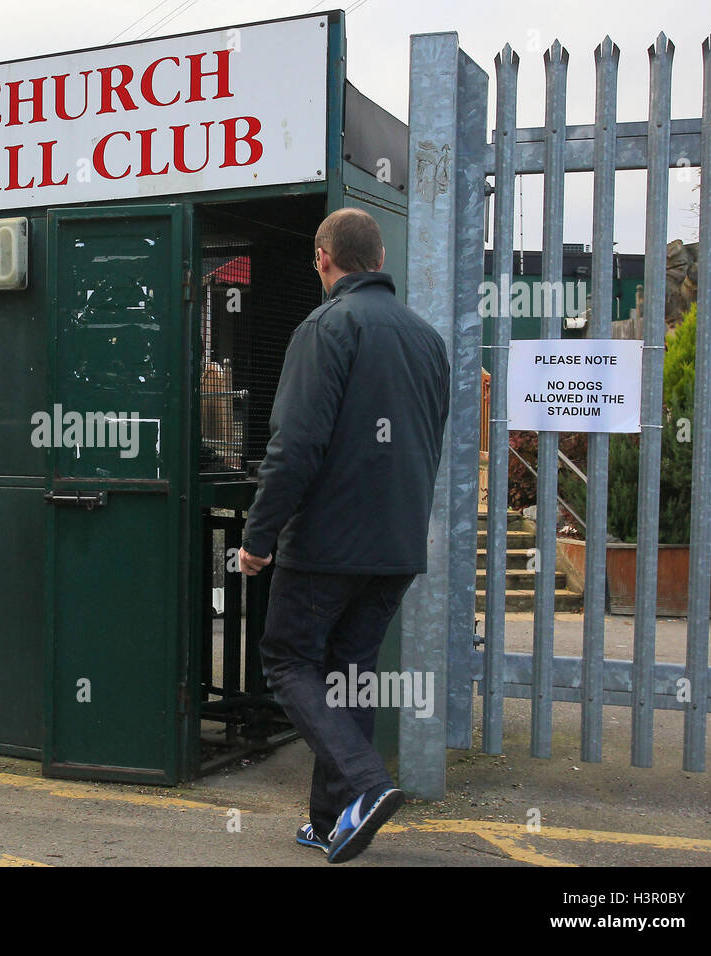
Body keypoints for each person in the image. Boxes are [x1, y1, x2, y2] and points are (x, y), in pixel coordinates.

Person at [238, 207, 449, 864]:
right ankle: (333, 820)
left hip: (329, 542)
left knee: (288, 659)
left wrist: (259, 536)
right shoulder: (427, 339)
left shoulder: (326, 326)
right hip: (397, 543)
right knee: (350, 674)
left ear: (323, 258)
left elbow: (295, 445)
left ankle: (365, 782)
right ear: (379, 260)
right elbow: (432, 441)